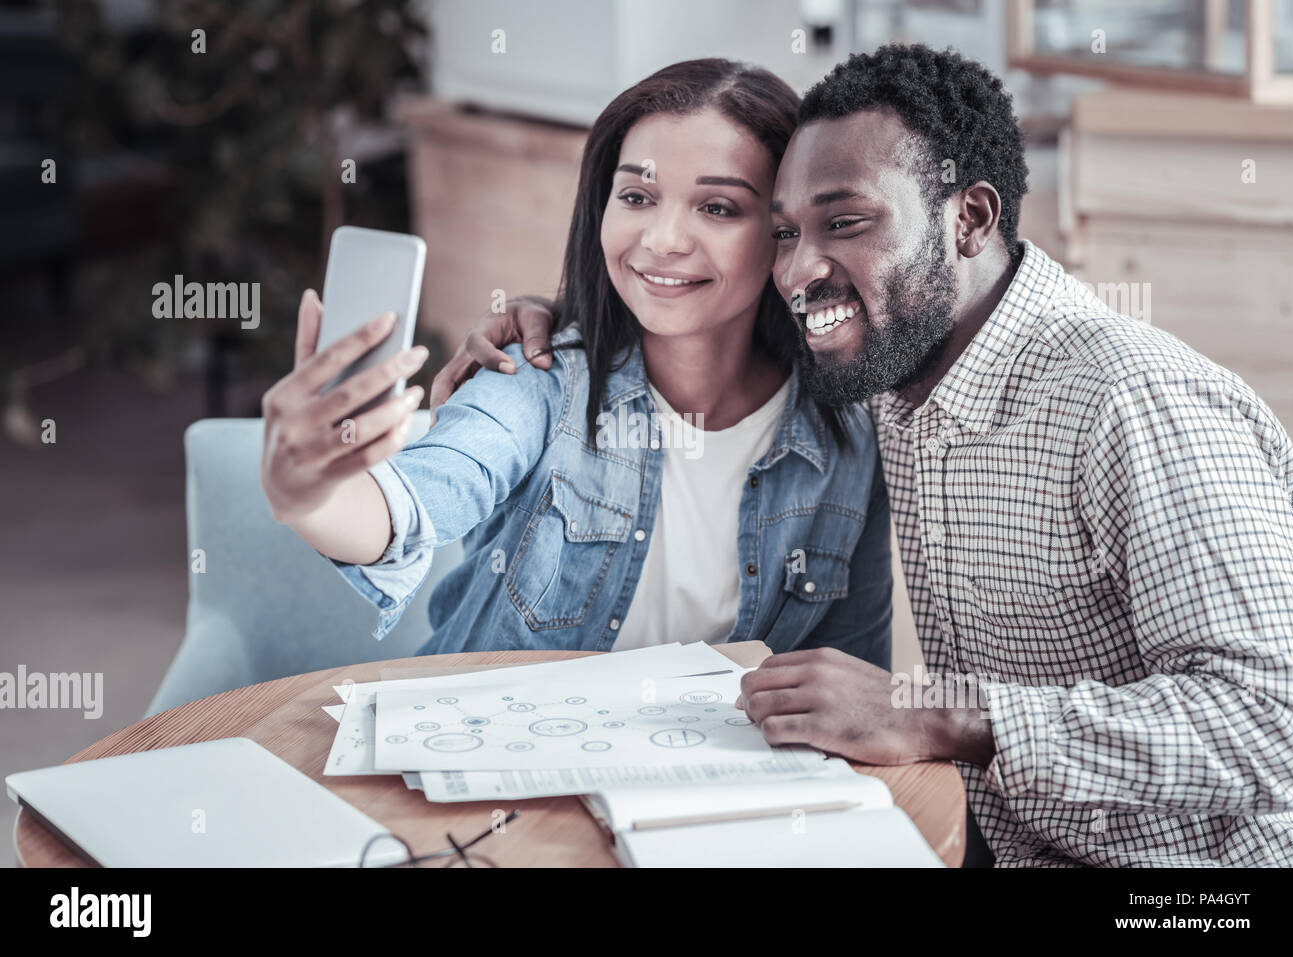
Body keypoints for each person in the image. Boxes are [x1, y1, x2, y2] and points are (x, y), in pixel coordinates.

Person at [435, 44, 1293, 867]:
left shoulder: (1134, 401)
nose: (799, 269)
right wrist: (563, 318)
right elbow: (704, 325)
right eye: (783, 232)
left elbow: (1279, 723)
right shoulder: (888, 374)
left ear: (969, 218)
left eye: (846, 222)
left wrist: (943, 716)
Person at [259, 59, 893, 667]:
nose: (663, 239)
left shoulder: (845, 434)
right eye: (638, 197)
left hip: (697, 775)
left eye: (718, 207)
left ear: (786, 232)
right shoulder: (538, 377)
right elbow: (413, 502)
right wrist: (312, 493)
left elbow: (848, 681)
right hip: (492, 758)